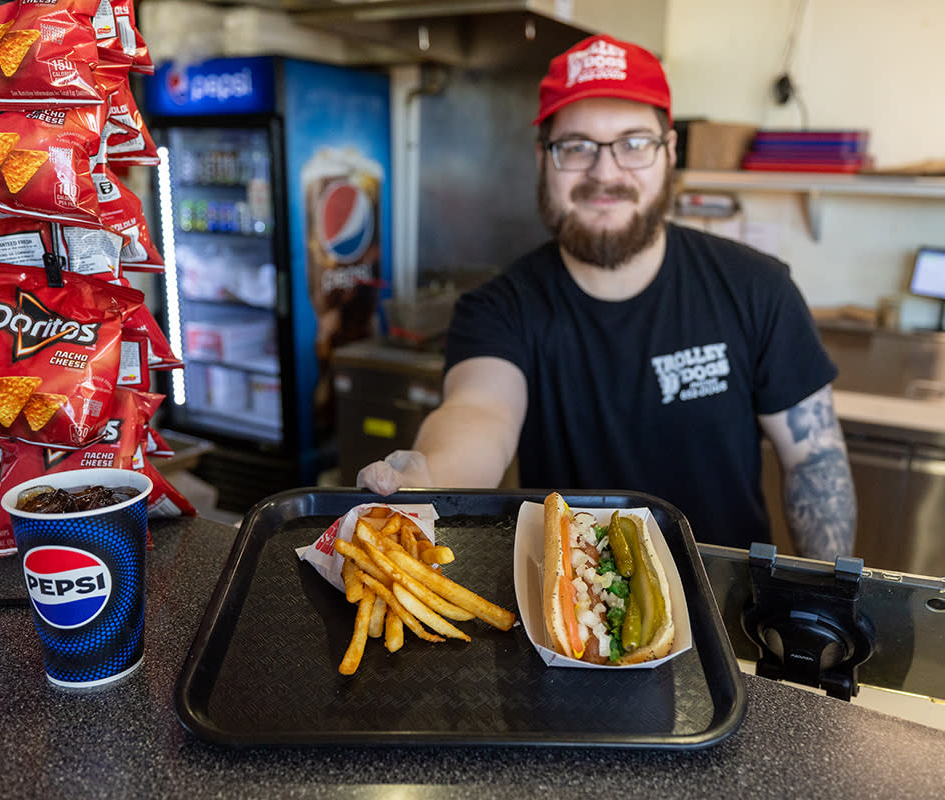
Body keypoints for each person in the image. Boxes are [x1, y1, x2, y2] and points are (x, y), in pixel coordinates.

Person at [357, 34, 856, 560]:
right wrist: (432, 477)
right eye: (576, 146)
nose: (605, 172)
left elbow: (814, 460)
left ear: (669, 152)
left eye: (634, 143)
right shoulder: (499, 308)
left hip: (725, 610)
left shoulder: (758, 288)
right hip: (572, 615)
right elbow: (479, 414)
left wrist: (824, 601)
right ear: (542, 159)